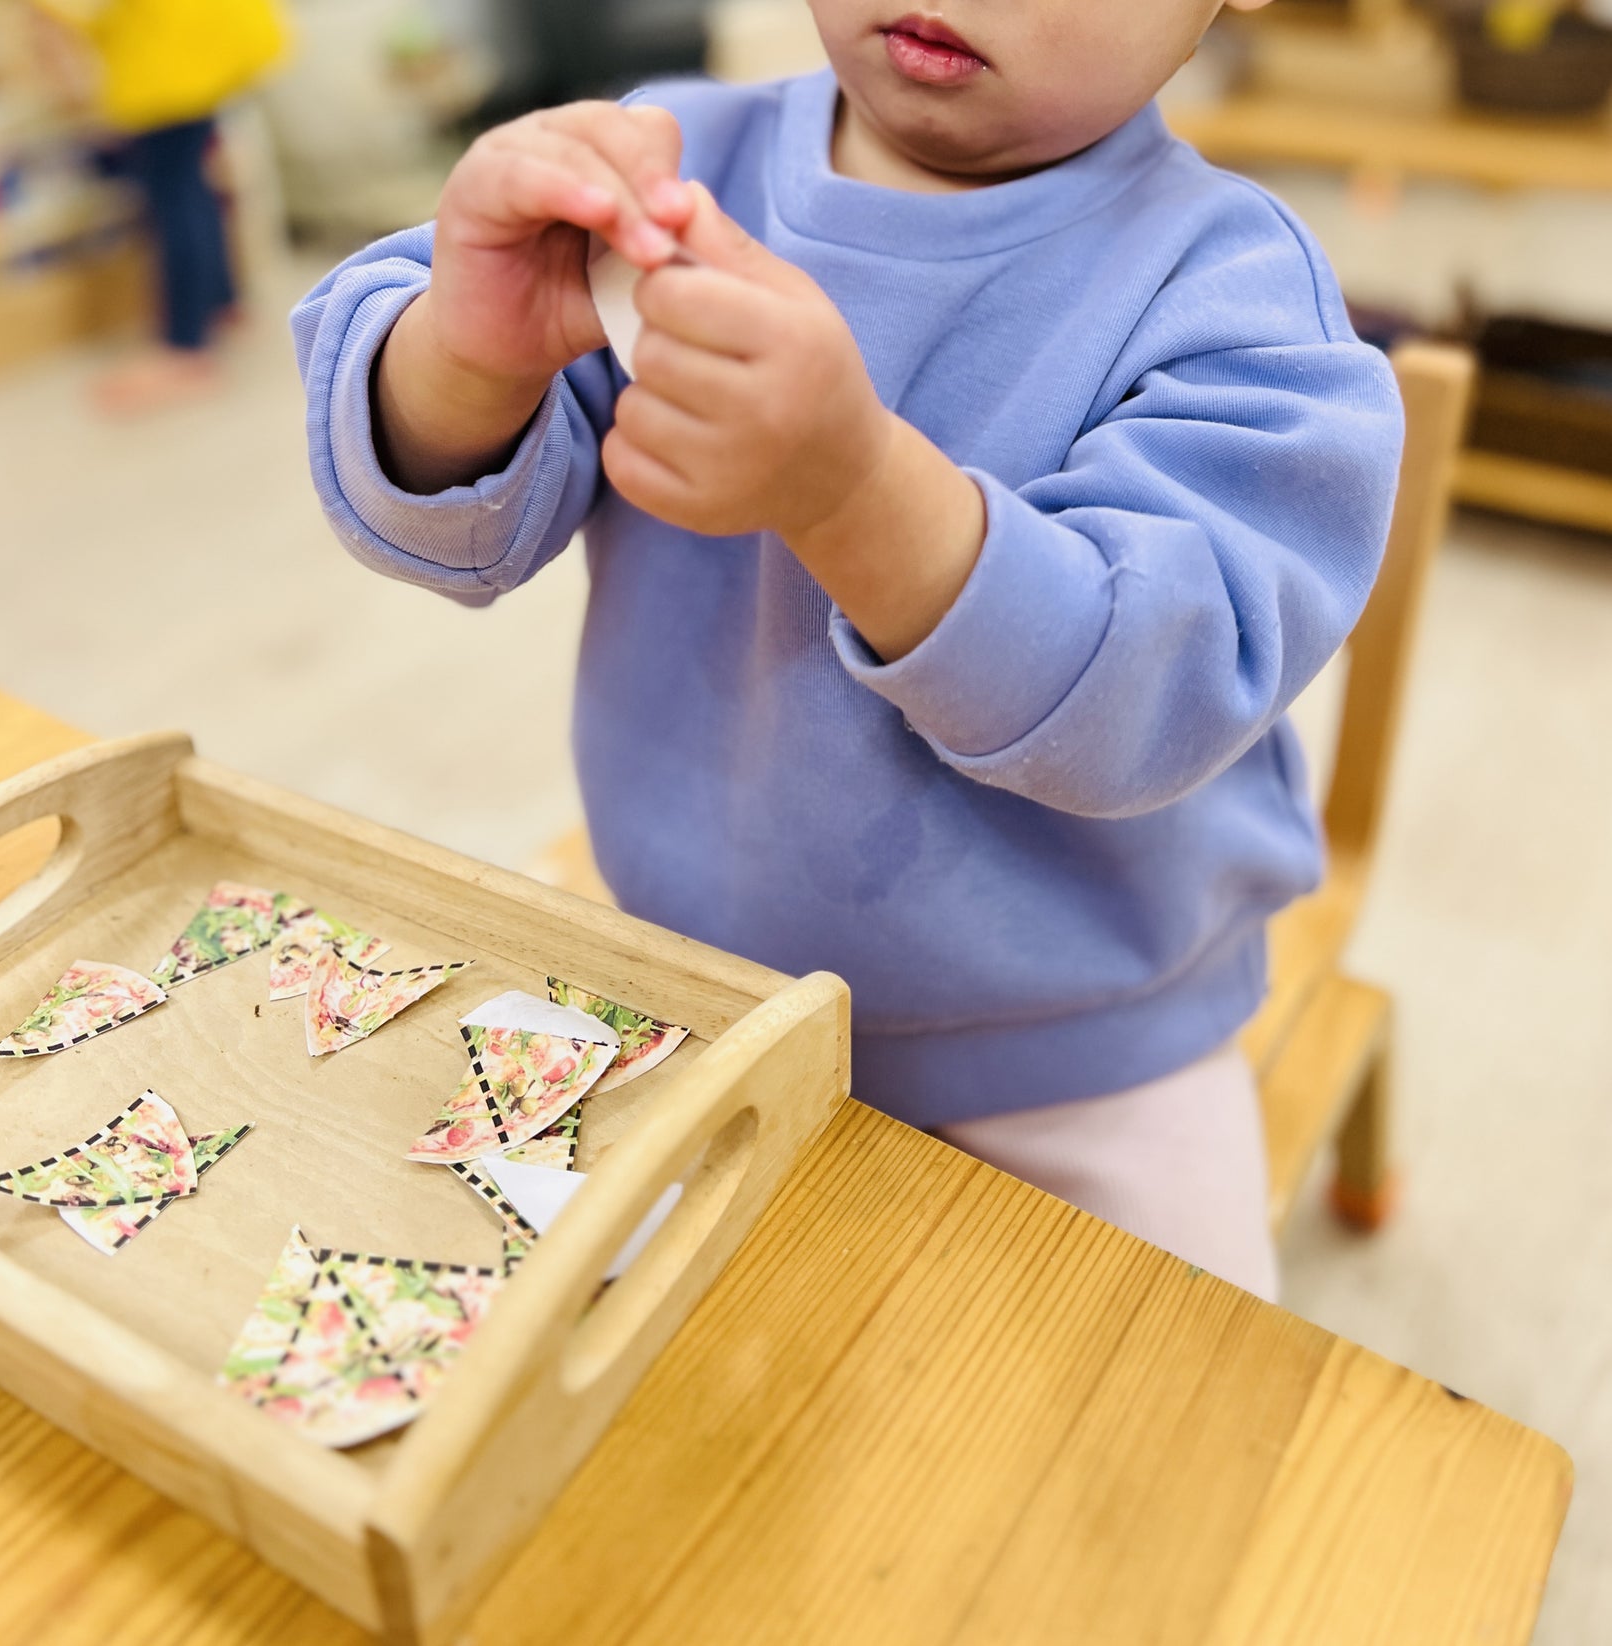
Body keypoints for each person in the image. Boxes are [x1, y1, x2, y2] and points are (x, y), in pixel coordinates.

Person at [293, 0, 1406, 1301]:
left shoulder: (1233, 297)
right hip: (687, 982)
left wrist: (855, 492)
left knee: (1165, 1406)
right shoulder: (665, 163)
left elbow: (1144, 701)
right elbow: (442, 520)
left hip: (1079, 1059)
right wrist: (463, 359)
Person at [34, 0, 289, 411]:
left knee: (175, 197)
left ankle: (185, 348)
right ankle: (222, 303)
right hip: (205, 45)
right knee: (192, 183)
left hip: (167, 61)